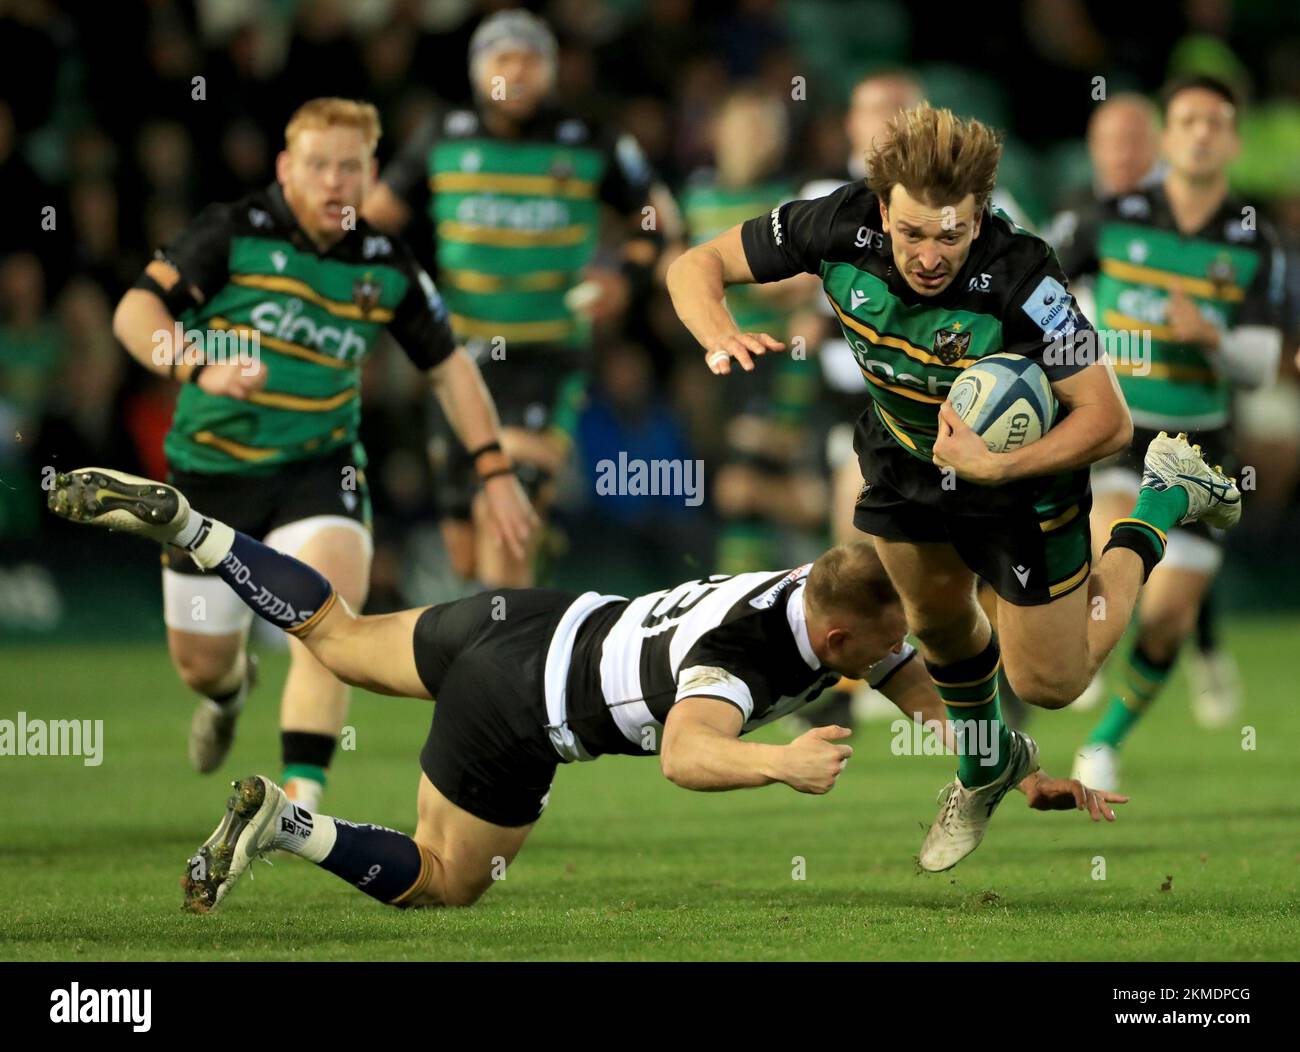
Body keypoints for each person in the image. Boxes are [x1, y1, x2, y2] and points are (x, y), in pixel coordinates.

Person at [47, 466, 1124, 908]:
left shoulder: (833, 594)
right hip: (522, 708)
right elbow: (686, 751)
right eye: (894, 640)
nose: (911, 649)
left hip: (528, 614)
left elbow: (922, 690)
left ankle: (192, 528)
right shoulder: (749, 654)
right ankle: (287, 826)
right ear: (839, 629)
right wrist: (781, 763)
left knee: (334, 631)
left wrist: (1014, 768)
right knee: (446, 880)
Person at [666, 102, 1240, 870]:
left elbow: (1107, 421)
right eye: (910, 233)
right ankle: (982, 768)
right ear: (881, 210)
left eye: (951, 234)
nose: (930, 254)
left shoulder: (1028, 277)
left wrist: (998, 466)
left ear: (981, 216)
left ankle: (1161, 501)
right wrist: (718, 332)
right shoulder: (833, 224)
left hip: (1022, 487)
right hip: (906, 461)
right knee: (933, 624)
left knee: (1051, 682)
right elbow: (692, 265)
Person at [111, 97, 536, 810]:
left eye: (351, 168)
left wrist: (495, 472)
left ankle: (299, 797)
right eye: (318, 166)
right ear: (286, 167)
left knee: (329, 611)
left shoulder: (385, 262)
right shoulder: (232, 231)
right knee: (201, 665)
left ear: (371, 175)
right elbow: (133, 312)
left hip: (320, 469)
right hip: (212, 473)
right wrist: (196, 364)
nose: (334, 182)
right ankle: (228, 694)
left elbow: (450, 369)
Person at [363, 8, 673, 589]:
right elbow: (376, 225)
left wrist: (623, 278)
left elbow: (653, 220)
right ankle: (536, 554)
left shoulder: (591, 139)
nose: (518, 72)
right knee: (464, 551)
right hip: (458, 358)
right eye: (504, 59)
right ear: (481, 71)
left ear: (551, 71)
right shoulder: (442, 136)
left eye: (531, 60)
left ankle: (510, 662)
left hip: (549, 355)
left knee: (505, 507)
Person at [1052, 76, 1286, 788]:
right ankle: (1072, 658)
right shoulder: (1108, 214)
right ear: (1168, 137)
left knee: (1166, 616)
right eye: (1188, 120)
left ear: (1233, 140)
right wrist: (1070, 367)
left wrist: (1209, 338)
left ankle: (1104, 742)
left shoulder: (1257, 239)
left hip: (1203, 449)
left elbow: (1263, 367)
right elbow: (1042, 297)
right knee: (1114, 544)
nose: (1202, 133)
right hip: (1119, 431)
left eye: (1216, 122)